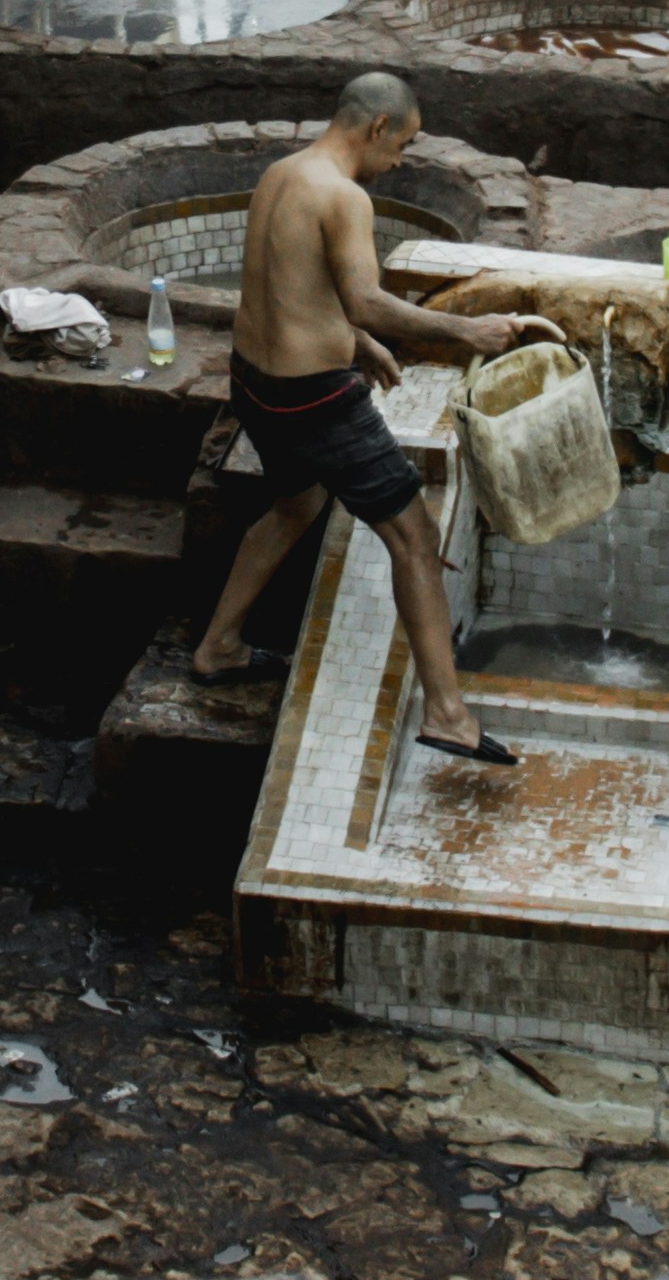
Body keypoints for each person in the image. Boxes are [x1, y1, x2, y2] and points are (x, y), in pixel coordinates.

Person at [187, 70, 561, 769]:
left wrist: (358, 344)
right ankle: (449, 716)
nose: (401, 161)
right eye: (405, 144)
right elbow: (363, 297)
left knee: (293, 506)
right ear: (378, 127)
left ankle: (219, 645)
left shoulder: (284, 174)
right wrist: (465, 332)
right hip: (315, 402)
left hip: (254, 385)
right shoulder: (346, 196)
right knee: (414, 539)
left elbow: (283, 281)